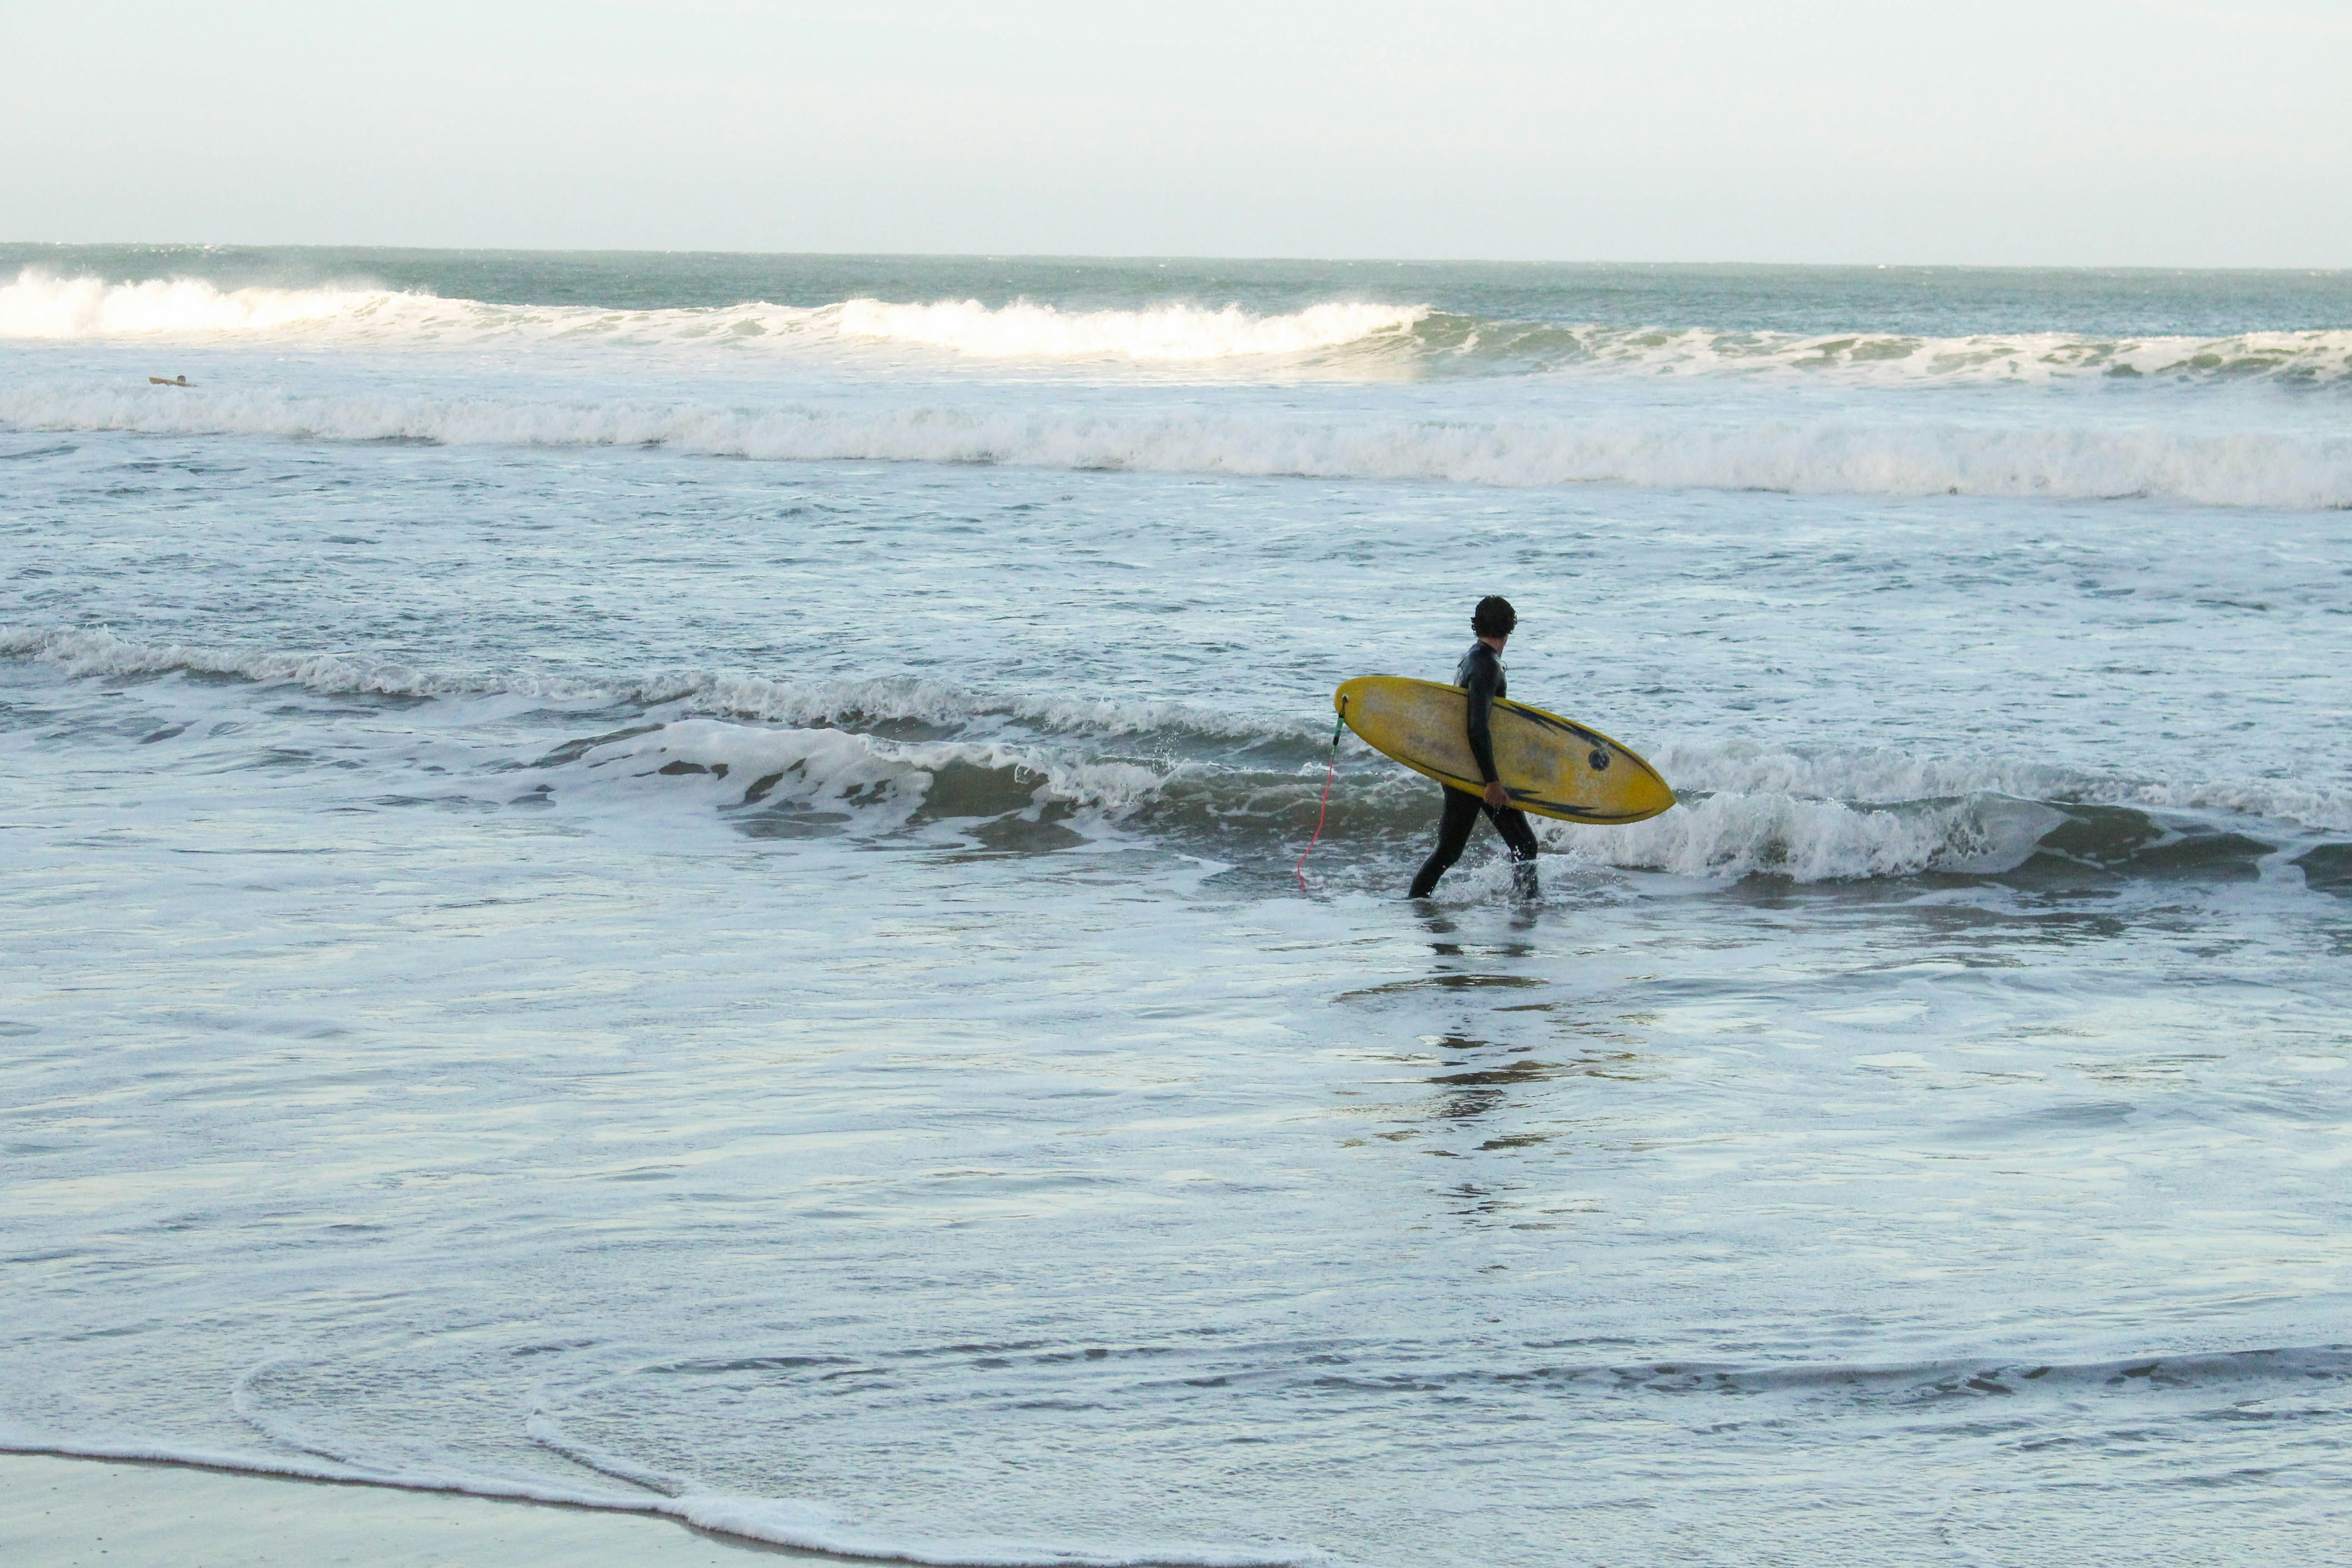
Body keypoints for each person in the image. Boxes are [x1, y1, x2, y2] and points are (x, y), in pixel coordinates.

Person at [1408, 595, 1540, 900]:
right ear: (1510, 628)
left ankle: (1416, 904)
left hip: (1466, 767)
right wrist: (1492, 782)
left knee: (1451, 851)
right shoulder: (1487, 666)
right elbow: (1477, 726)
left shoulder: (1472, 658)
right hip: (1476, 772)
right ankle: (1526, 912)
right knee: (1522, 845)